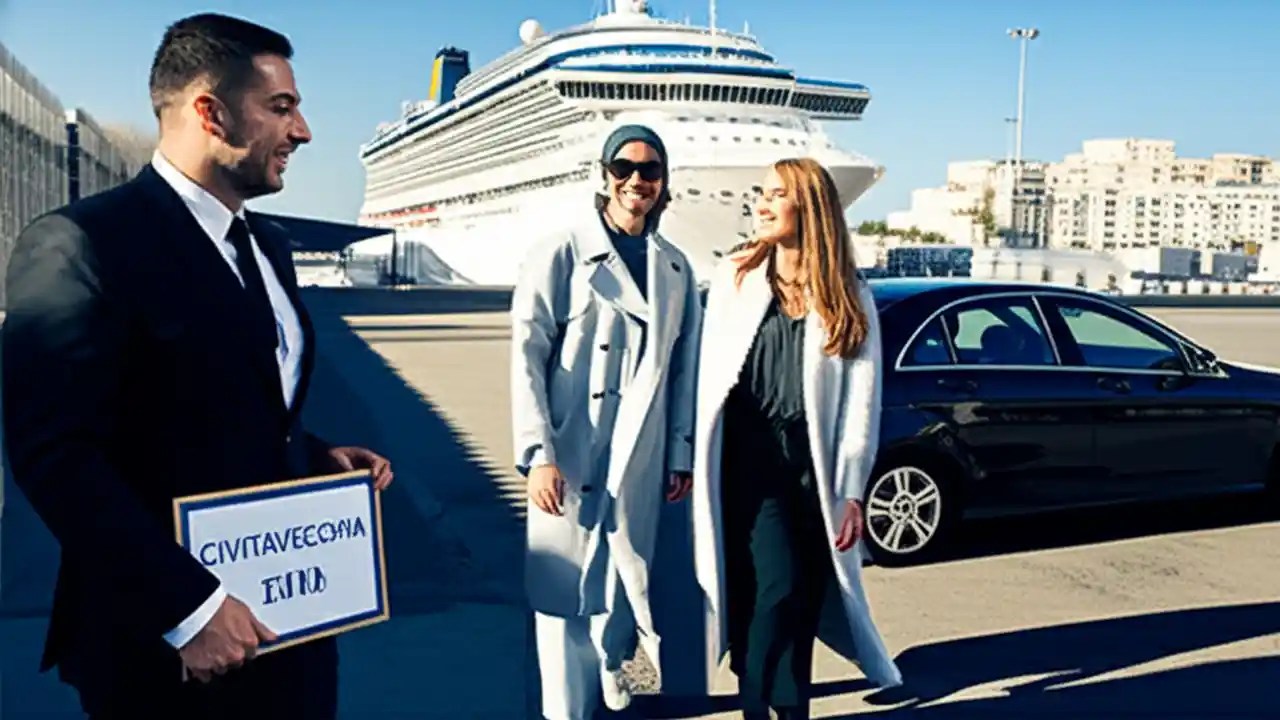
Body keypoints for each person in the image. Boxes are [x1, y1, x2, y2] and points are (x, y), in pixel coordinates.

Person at [1, 13, 393, 719]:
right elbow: (55, 453)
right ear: (209, 112)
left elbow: (223, 404)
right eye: (281, 107)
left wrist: (313, 456)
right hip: (164, 651)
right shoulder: (81, 243)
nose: (302, 131)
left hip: (287, 629)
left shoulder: (266, 246)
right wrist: (189, 609)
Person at [689, 158, 902, 719]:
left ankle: (792, 708)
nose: (761, 204)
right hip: (750, 460)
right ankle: (755, 704)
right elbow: (706, 378)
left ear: (809, 208)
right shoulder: (736, 277)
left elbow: (862, 401)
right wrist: (688, 456)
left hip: (815, 467)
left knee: (802, 596)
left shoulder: (847, 294)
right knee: (775, 586)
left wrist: (853, 488)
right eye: (762, 193)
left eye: (776, 194)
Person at [510, 124, 702, 720]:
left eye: (650, 171)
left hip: (639, 455)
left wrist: (679, 453)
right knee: (561, 592)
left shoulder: (676, 268)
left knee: (622, 581)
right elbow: (526, 354)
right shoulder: (561, 251)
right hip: (570, 447)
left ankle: (613, 658)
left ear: (664, 183)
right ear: (604, 175)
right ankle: (566, 711)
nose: (636, 182)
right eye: (624, 168)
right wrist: (537, 452)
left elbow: (684, 373)